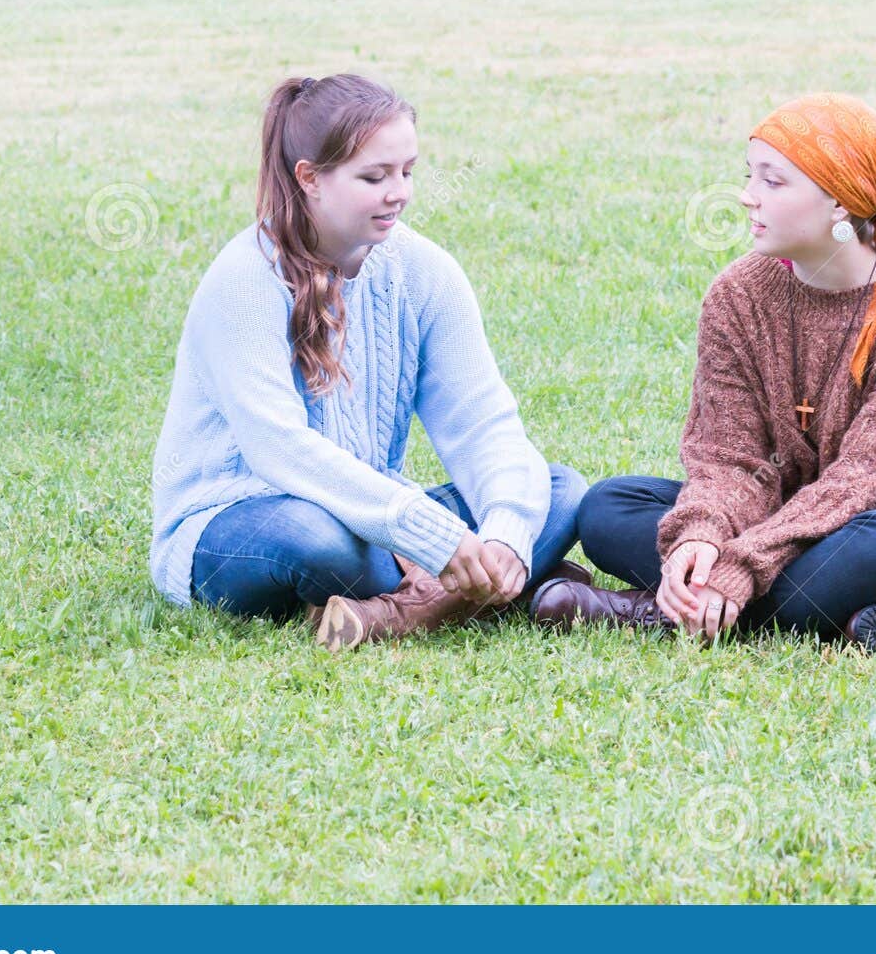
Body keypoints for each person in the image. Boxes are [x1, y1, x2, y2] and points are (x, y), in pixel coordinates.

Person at [538, 92, 876, 649]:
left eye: (772, 182)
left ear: (840, 203)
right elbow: (728, 455)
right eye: (749, 176)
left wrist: (740, 566)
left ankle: (651, 611)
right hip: (772, 512)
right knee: (608, 508)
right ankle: (835, 613)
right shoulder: (738, 295)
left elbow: (863, 485)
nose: (746, 197)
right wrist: (704, 535)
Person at [151, 73, 588, 650]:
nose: (399, 192)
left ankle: (402, 610)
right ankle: (502, 589)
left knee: (557, 491)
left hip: (371, 514)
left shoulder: (424, 270)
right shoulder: (246, 281)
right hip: (237, 518)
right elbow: (279, 450)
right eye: (374, 176)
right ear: (310, 179)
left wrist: (505, 534)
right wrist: (432, 534)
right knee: (319, 540)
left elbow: (483, 422)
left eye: (407, 170)